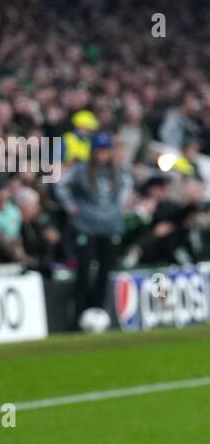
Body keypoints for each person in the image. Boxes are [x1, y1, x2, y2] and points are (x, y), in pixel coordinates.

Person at [57, 132, 132, 321]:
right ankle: (79, 312)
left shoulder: (119, 171)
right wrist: (70, 206)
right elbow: (60, 185)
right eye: (99, 151)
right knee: (84, 269)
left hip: (110, 226)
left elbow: (127, 187)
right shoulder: (81, 170)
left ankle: (98, 311)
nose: (102, 155)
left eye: (105, 151)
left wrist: (119, 207)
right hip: (86, 225)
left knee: (105, 270)